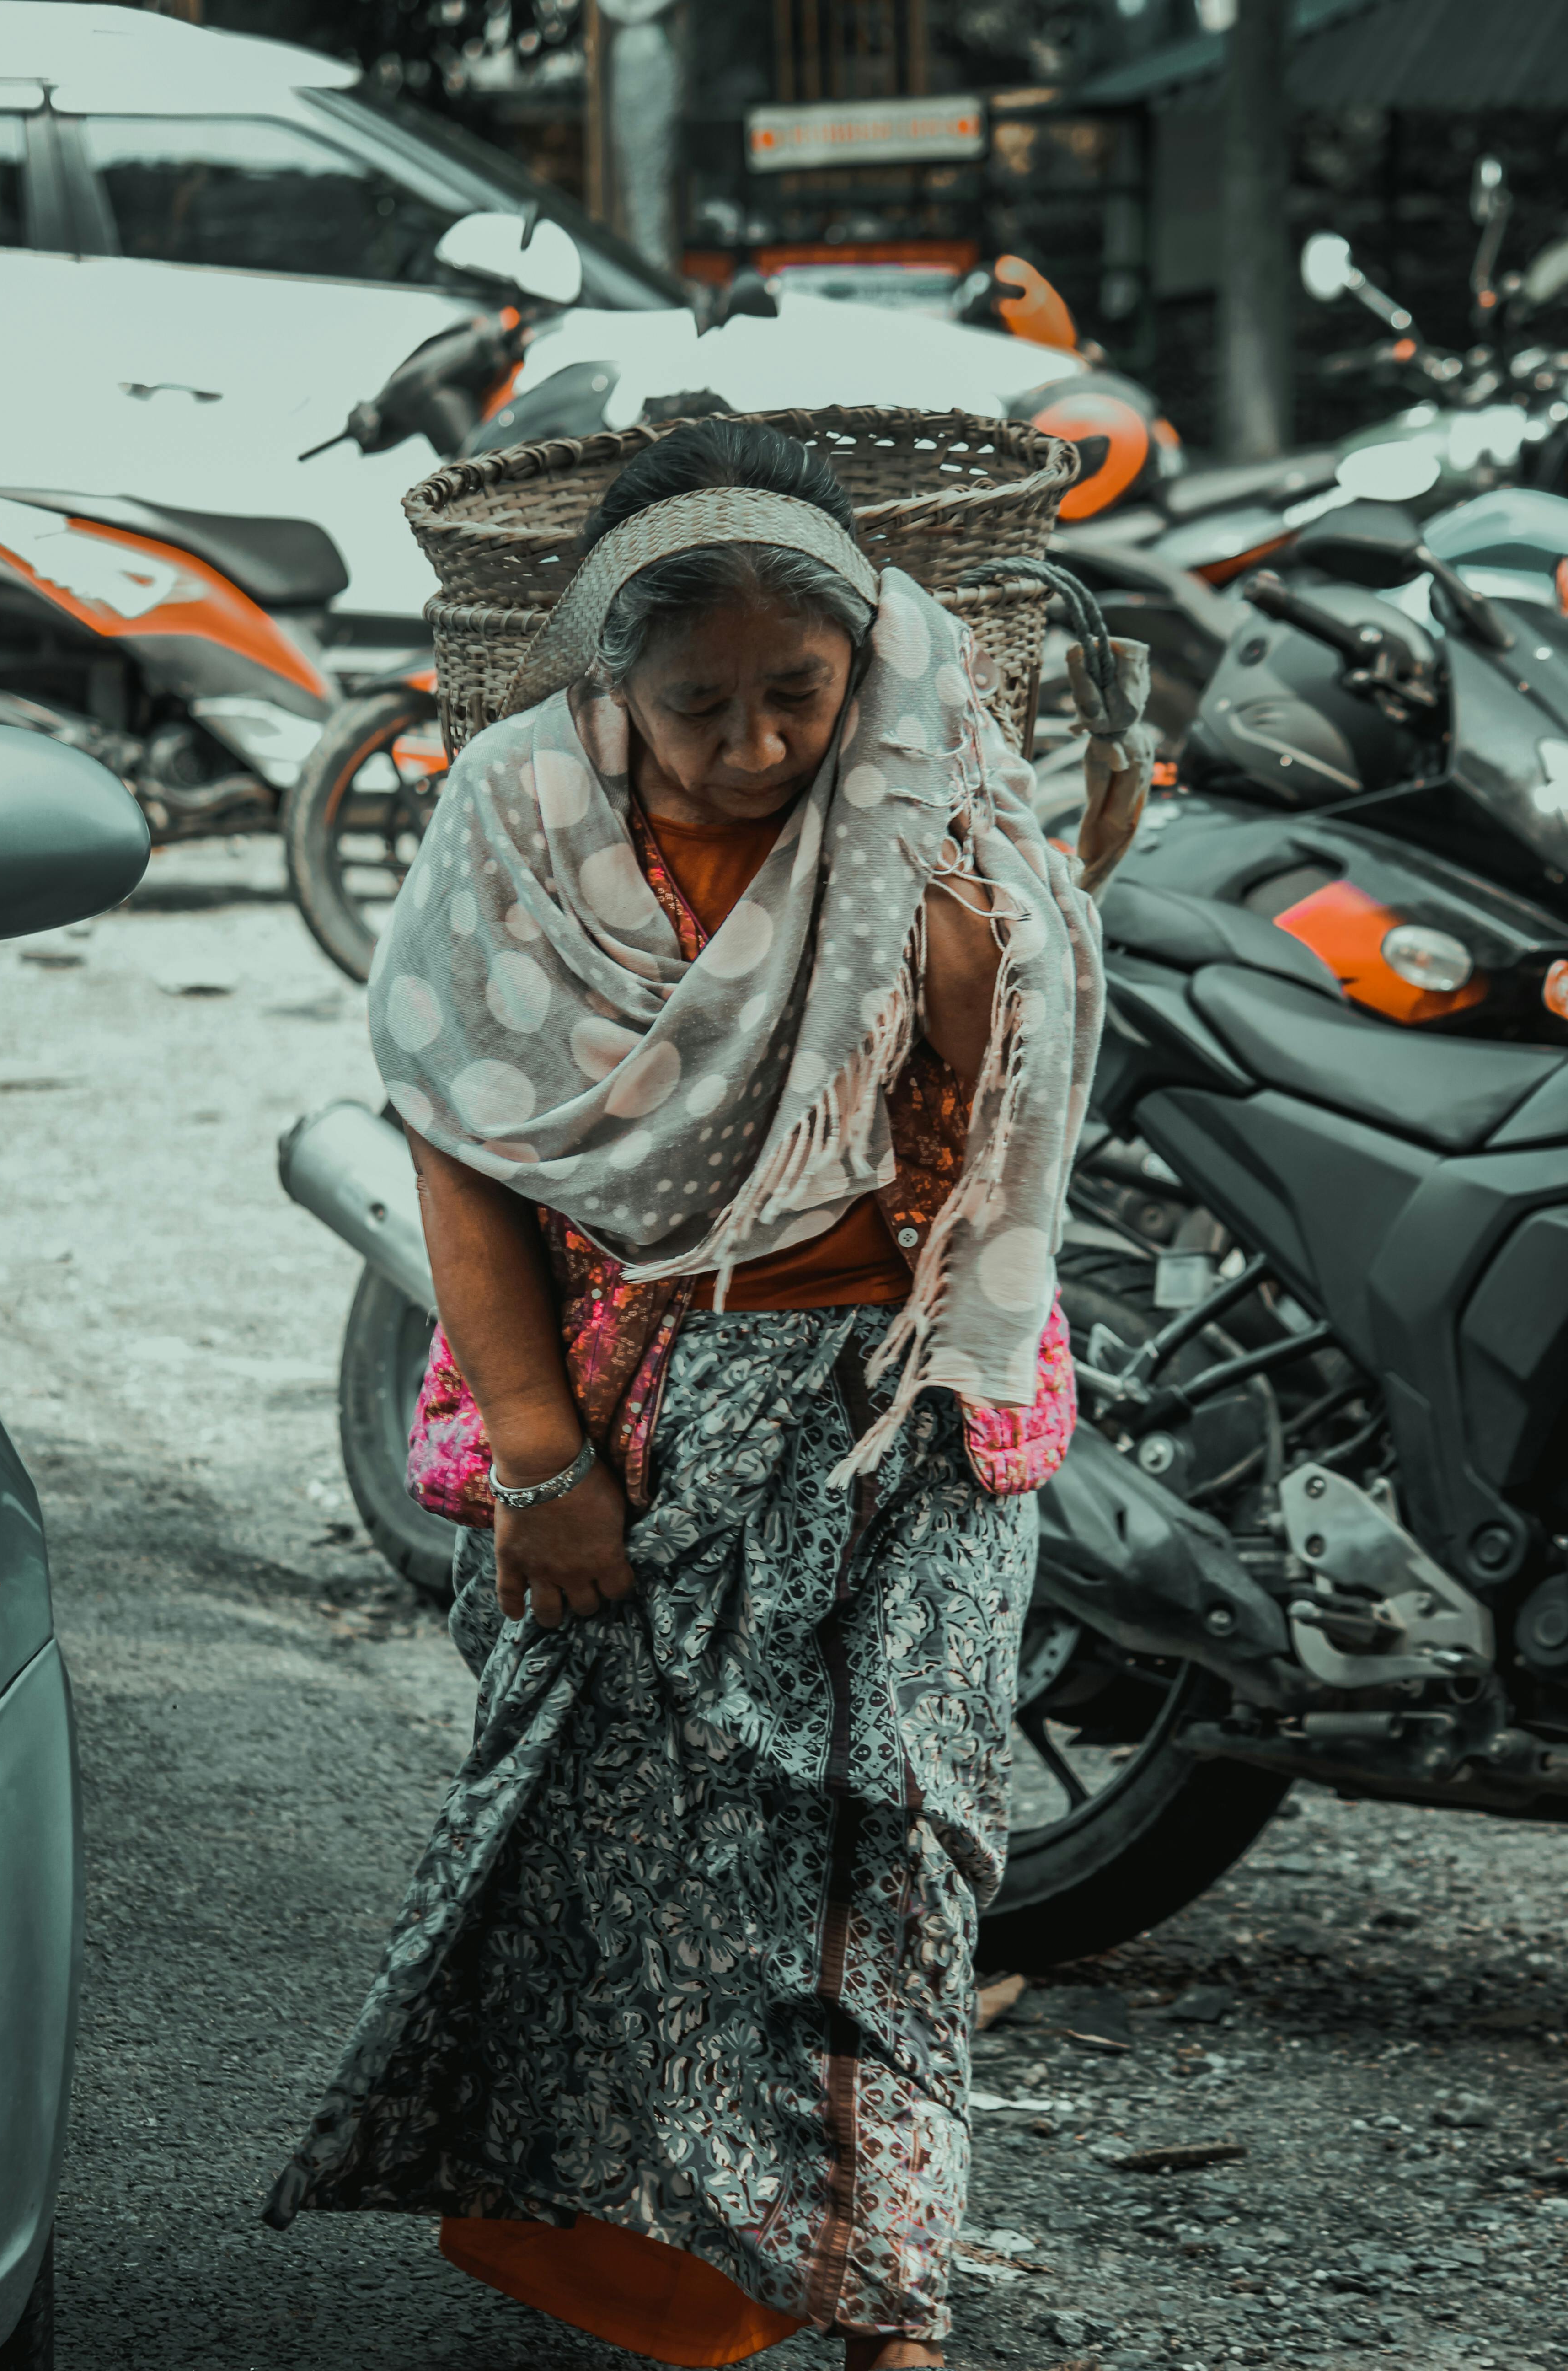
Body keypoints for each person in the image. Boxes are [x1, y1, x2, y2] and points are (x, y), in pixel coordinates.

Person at [265, 417, 1143, 2366]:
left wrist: (996, 915)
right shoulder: (520, 823)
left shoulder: (944, 780)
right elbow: (466, 1158)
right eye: (699, 708)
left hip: (917, 1399)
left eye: (797, 697)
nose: (753, 749)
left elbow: (1014, 1080)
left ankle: (886, 2297)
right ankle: (688, 2257)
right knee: (627, 1848)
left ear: (875, 663)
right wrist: (539, 1462)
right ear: (607, 683)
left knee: (907, 1837)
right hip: (649, 1414)